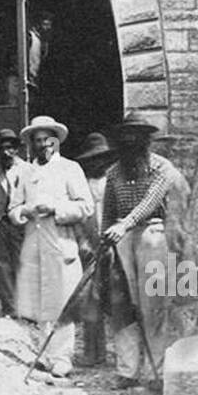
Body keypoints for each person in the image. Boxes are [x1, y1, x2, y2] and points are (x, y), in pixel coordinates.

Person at [101, 113, 191, 387]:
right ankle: (127, 370)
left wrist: (125, 224)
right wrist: (103, 241)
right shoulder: (114, 172)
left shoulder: (162, 168)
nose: (131, 140)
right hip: (120, 240)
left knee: (154, 304)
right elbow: (108, 211)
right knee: (122, 305)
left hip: (153, 236)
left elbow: (149, 203)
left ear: (146, 139)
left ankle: (157, 372)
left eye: (137, 135)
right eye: (126, 135)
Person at [8, 114, 93, 378]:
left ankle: (62, 357)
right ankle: (45, 354)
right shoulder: (25, 172)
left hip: (61, 242)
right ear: (31, 144)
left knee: (62, 301)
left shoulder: (70, 168)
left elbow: (85, 206)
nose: (44, 145)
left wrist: (55, 208)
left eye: (48, 140)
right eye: (38, 140)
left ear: (56, 142)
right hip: (34, 243)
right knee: (40, 301)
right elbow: (12, 209)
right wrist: (26, 211)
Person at [73, 132, 119, 366]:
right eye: (92, 159)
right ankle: (93, 352)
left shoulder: (114, 181)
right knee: (91, 300)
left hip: (115, 245)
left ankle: (122, 355)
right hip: (90, 246)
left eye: (101, 158)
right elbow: (79, 217)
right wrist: (83, 242)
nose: (97, 163)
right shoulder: (81, 184)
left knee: (119, 299)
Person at [0, 127, 28, 318]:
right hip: (1, 225)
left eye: (10, 148)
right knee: (3, 265)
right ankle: (10, 308)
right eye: (2, 148)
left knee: (23, 264)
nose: (6, 152)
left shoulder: (27, 170)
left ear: (16, 149)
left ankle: (26, 308)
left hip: (22, 224)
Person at [26, 13, 53, 115]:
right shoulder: (30, 37)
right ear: (38, 24)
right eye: (45, 24)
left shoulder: (43, 41)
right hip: (27, 81)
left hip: (34, 82)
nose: (48, 28)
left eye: (49, 25)